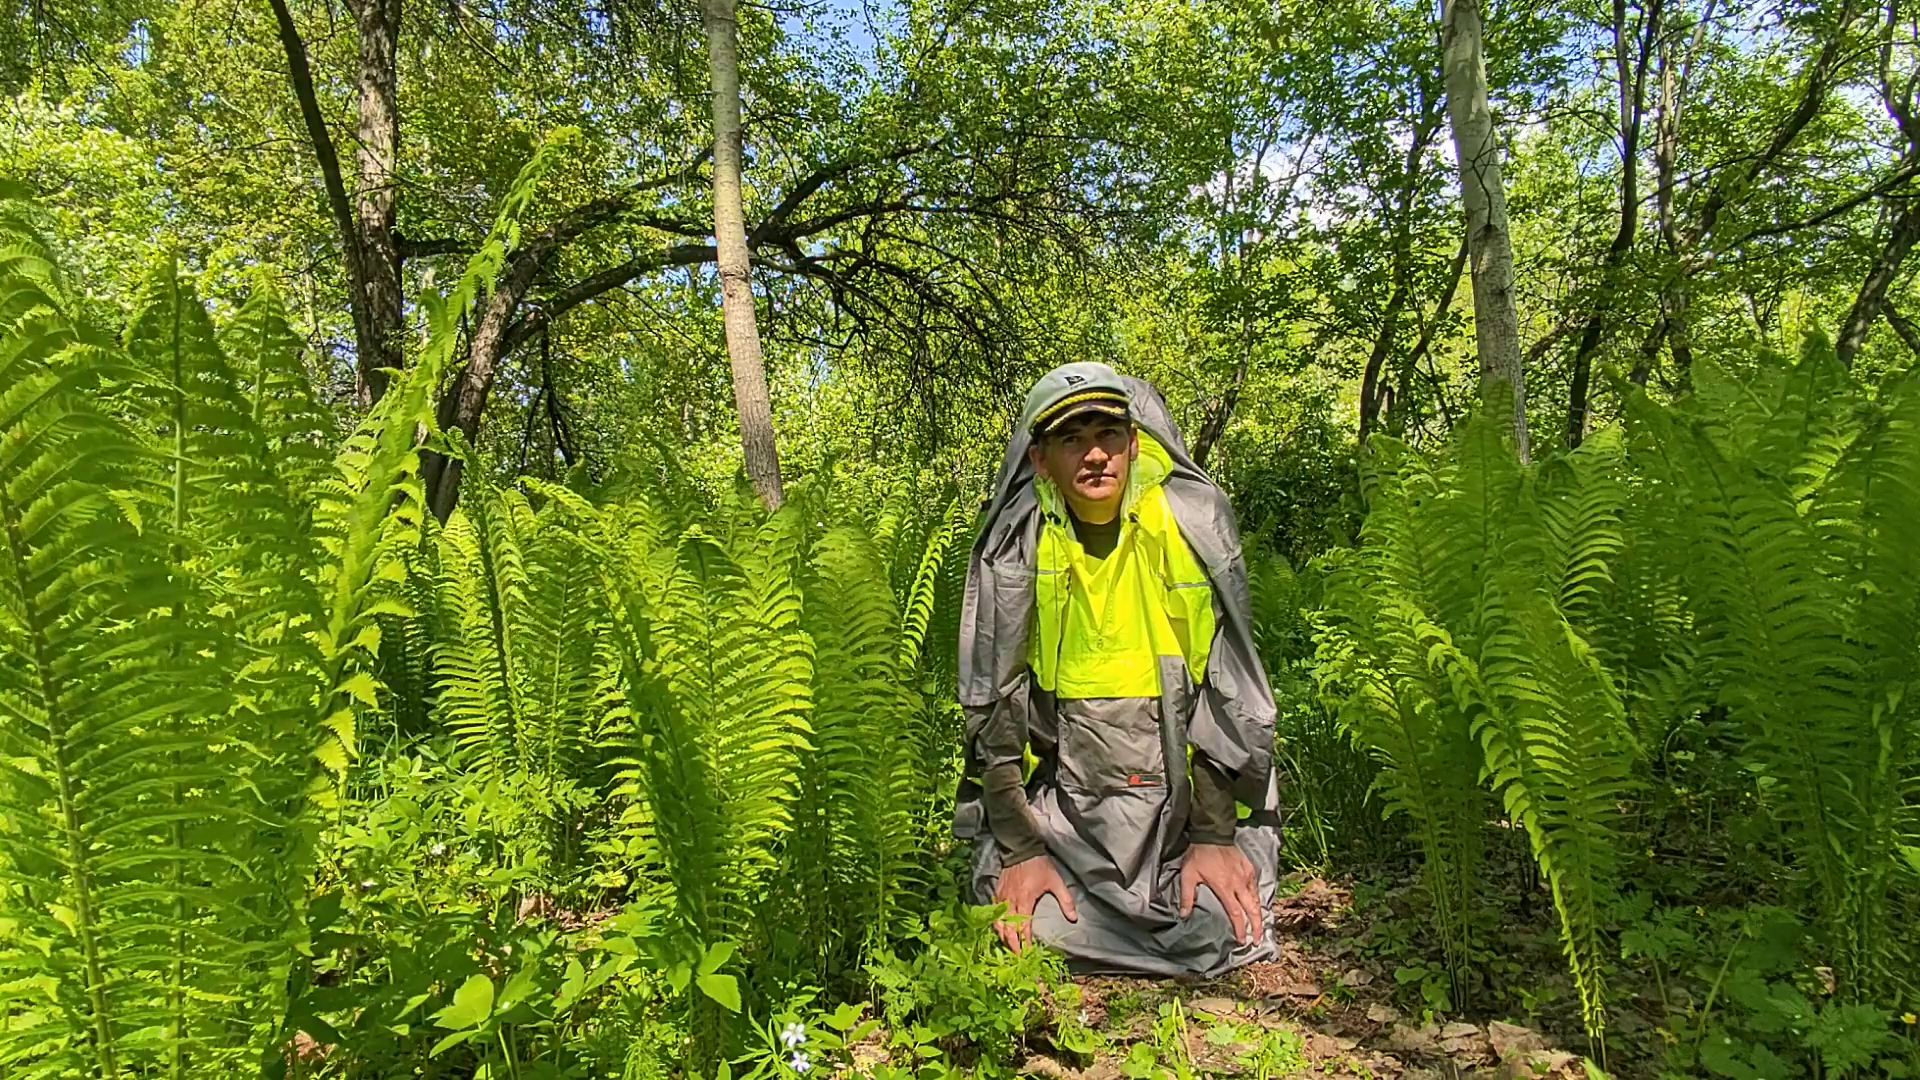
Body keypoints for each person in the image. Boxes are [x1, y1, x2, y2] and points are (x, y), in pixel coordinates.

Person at [953, 361, 1282, 978]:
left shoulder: (1189, 523)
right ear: (1039, 460)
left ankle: (1184, 887)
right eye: (1071, 439)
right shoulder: (1016, 545)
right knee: (1021, 920)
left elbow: (1227, 689)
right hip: (1064, 813)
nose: (1095, 455)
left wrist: (1213, 838)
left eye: (1107, 434)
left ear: (1134, 444)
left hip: (1180, 813)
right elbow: (993, 704)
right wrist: (1023, 849)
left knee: (1218, 921)